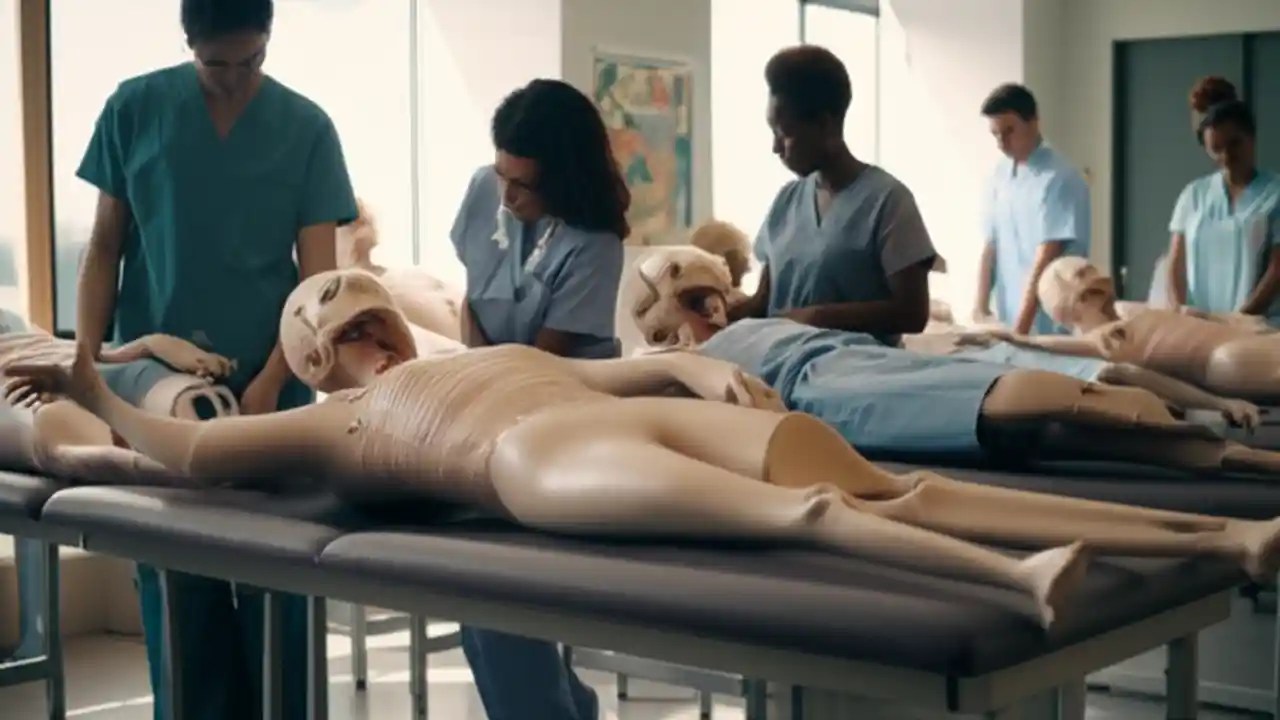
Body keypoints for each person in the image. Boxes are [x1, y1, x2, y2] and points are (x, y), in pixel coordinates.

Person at [14, 270, 1280, 638]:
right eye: (340, 325)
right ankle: (1015, 577)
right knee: (807, 521)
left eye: (369, 312)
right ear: (317, 349)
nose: (365, 326)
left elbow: (633, 364)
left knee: (908, 480)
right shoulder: (335, 421)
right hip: (522, 456)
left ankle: (1229, 534)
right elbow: (182, 456)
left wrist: (686, 359)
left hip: (593, 408)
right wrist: (94, 376)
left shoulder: (487, 343)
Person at [71, 0, 358, 716]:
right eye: (214, 66)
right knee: (177, 590)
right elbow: (105, 249)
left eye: (251, 61)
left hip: (275, 392)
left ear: (269, 42)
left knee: (277, 594)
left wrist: (269, 385)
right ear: (188, 44)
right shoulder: (135, 108)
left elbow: (315, 290)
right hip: (155, 392)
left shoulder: (307, 128)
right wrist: (92, 371)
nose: (234, 80)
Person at [628, 248, 1273, 469]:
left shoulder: (761, 321)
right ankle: (1215, 448)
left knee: (1055, 401)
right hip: (827, 387)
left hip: (850, 360)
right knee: (1039, 414)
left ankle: (1211, 441)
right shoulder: (690, 364)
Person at [446, 78, 631, 720]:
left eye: (521, 185)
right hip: (489, 400)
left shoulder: (595, 247)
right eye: (501, 175)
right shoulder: (484, 189)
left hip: (557, 423)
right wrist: (469, 376)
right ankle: (567, 704)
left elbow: (540, 368)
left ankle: (556, 708)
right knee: (478, 597)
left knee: (495, 596)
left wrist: (476, 395)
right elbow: (471, 296)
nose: (505, 194)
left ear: (565, 179)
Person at [730, 45, 939, 346]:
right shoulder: (786, 202)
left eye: (785, 134)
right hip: (781, 367)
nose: (776, 148)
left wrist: (817, 318)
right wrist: (717, 315)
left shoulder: (888, 201)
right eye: (772, 133)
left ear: (825, 125)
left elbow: (913, 313)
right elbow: (764, 302)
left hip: (856, 375)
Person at [963, 256, 1280, 401]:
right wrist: (998, 335)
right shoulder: (1101, 341)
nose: (1096, 275)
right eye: (1083, 273)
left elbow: (1195, 317)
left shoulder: (1132, 312)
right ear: (1070, 302)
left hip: (1240, 340)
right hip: (1227, 358)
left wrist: (1233, 321)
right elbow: (1038, 343)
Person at [975, 83, 1090, 335]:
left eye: (1009, 131)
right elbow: (990, 247)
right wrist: (980, 310)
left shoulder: (1061, 178)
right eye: (995, 135)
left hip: (1050, 326)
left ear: (1034, 121)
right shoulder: (1000, 176)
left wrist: (1021, 330)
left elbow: (1046, 257)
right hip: (1008, 321)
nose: (1001, 143)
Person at [1166, 98, 1280, 325]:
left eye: (1234, 144)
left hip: (1258, 327)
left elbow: (1278, 270)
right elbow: (1176, 263)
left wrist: (1239, 320)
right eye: (1216, 149)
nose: (1226, 156)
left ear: (1252, 137)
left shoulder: (1275, 192)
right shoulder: (1194, 194)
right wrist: (1178, 313)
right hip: (1198, 326)